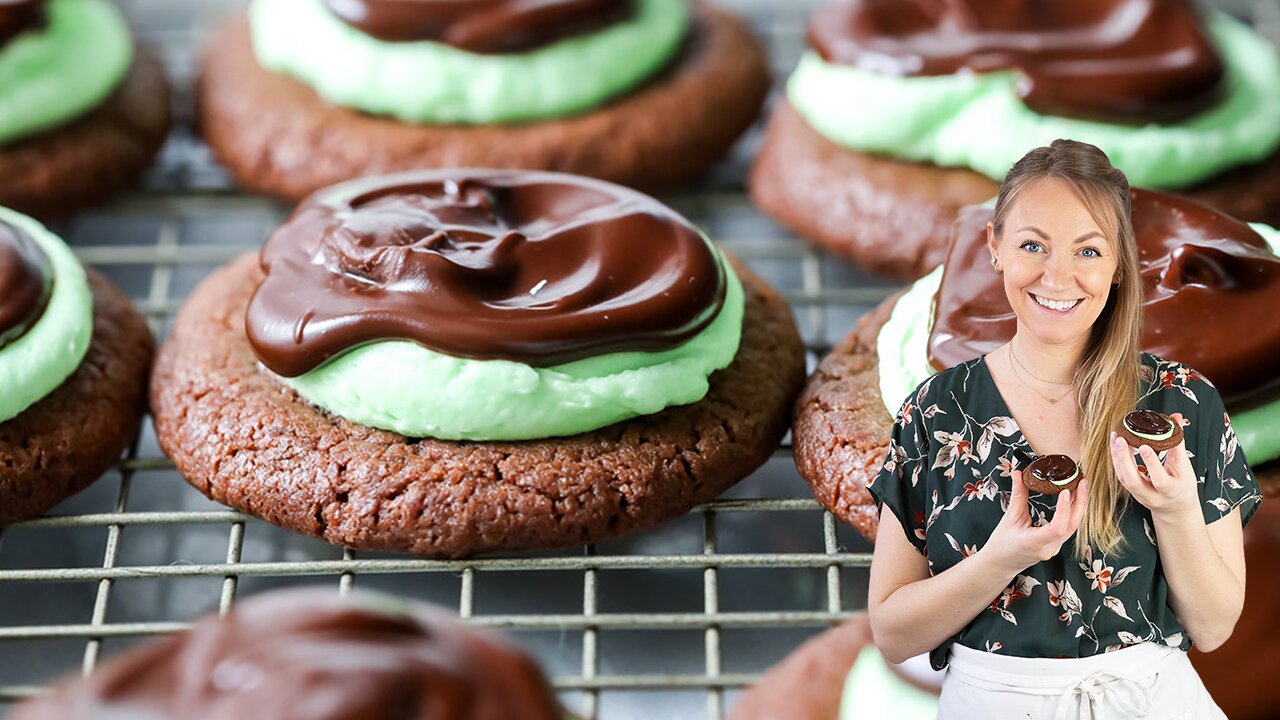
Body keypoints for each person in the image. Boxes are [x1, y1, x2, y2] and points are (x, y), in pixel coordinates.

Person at [865, 139, 1262, 719]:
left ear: (1120, 262)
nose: (1059, 277)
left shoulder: (1183, 405)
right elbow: (893, 632)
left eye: (1089, 251)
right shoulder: (934, 412)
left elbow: (1213, 625)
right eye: (1033, 245)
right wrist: (1002, 558)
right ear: (994, 247)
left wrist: (1175, 508)